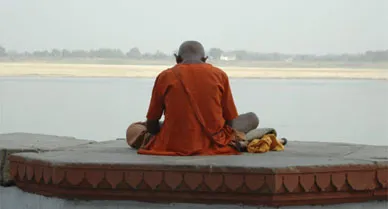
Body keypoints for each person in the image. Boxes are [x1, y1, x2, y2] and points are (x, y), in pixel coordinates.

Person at [136, 40, 251, 156]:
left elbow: (151, 124)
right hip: (213, 141)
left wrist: (166, 129)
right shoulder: (220, 75)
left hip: (173, 143)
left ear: (177, 59)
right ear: (205, 59)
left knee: (134, 128)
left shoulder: (165, 76)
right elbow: (230, 122)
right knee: (252, 118)